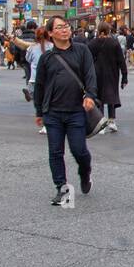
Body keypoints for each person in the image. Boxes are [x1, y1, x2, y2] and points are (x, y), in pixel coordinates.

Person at [32, 16, 99, 205]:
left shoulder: (82, 50)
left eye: (66, 26)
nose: (65, 30)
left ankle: (85, 172)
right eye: (59, 27)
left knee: (79, 151)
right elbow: (40, 86)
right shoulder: (47, 58)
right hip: (52, 112)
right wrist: (39, 112)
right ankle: (61, 189)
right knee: (55, 152)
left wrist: (90, 96)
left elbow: (90, 75)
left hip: (76, 111)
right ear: (51, 33)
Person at [89, 22, 128, 132]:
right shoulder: (114, 43)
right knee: (111, 96)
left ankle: (100, 122)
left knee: (99, 97)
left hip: (96, 73)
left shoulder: (92, 43)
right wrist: (124, 76)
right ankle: (111, 120)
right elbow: (121, 60)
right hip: (112, 73)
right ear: (108, 30)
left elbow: (88, 60)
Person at [25, 26, 54, 129]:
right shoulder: (52, 47)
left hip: (34, 78)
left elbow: (28, 59)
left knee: (38, 102)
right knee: (48, 102)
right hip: (48, 79)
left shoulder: (32, 48)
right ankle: (46, 124)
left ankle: (31, 96)